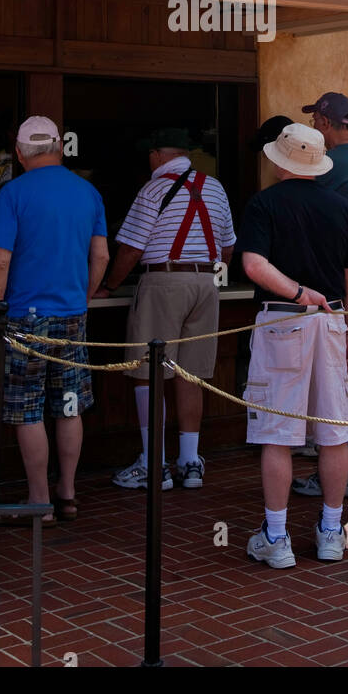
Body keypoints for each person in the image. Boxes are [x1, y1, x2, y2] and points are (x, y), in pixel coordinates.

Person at [238, 123, 348, 567]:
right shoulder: (342, 207)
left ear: (279, 161)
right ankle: (331, 530)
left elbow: (253, 263)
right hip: (331, 320)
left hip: (282, 319)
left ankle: (276, 537)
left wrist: (295, 293)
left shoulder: (264, 203)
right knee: (333, 433)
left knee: (277, 434)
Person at [0, 116, 108, 523]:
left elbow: (1, 260)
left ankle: (39, 501)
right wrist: (82, 298)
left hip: (22, 318)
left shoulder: (13, 193)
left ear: (19, 153)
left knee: (27, 409)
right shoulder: (87, 192)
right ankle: (67, 493)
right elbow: (101, 256)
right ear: (59, 147)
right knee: (69, 405)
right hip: (71, 316)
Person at [101, 128, 235, 491]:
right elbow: (227, 248)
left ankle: (153, 463)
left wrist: (108, 285)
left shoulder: (153, 189)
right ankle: (190, 462)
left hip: (164, 280)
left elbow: (130, 249)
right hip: (206, 284)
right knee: (191, 375)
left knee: (150, 372)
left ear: (159, 154)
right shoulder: (215, 187)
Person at [293, 91, 348, 497]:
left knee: (330, 376)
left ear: (327, 123)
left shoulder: (326, 166)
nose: (314, 127)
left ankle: (339, 470)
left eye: (316, 121)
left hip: (330, 282)